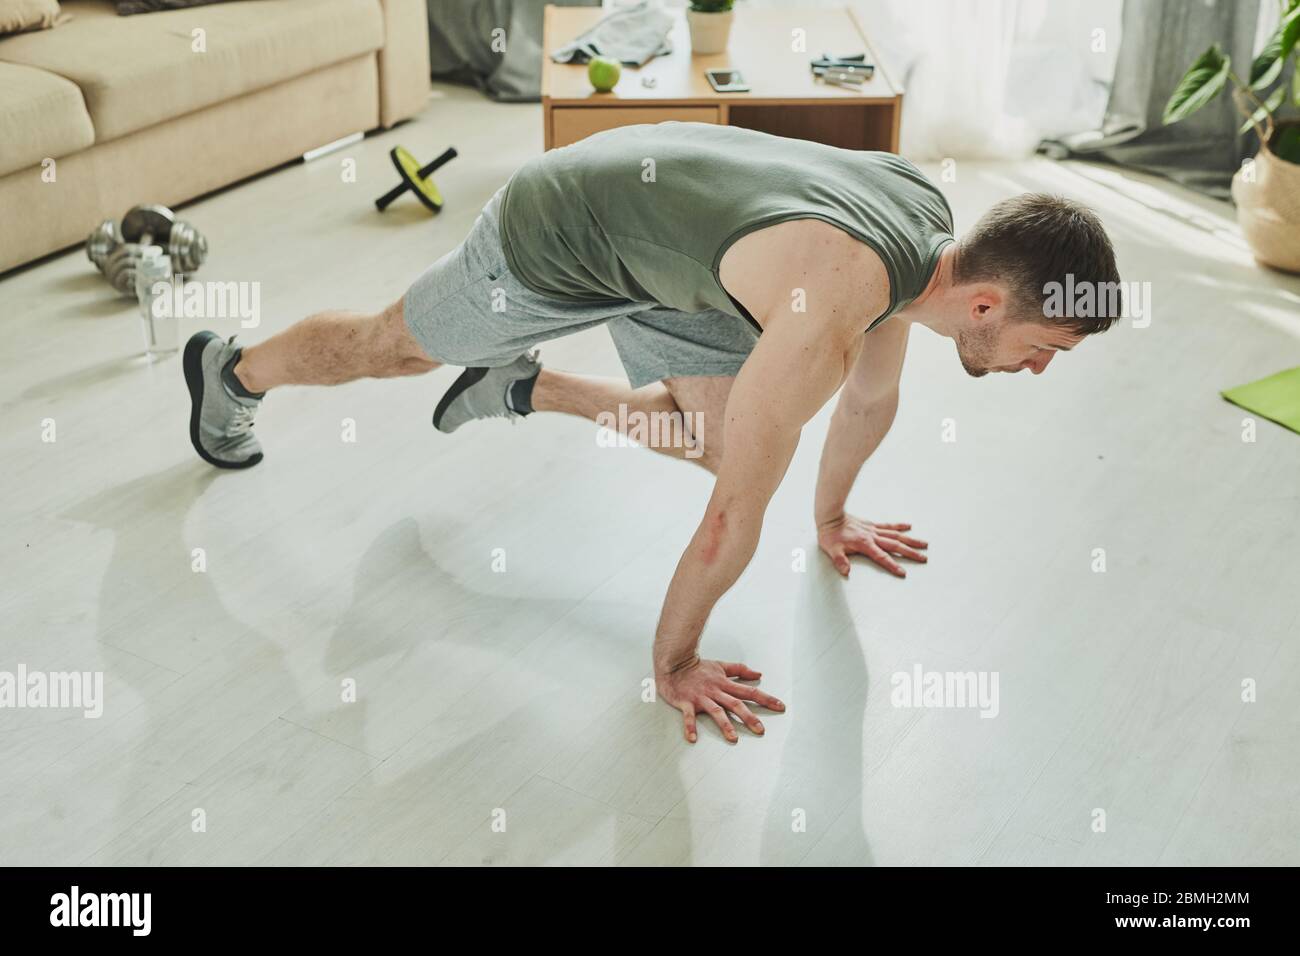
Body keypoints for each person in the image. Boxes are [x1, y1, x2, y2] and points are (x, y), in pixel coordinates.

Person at [183, 122, 1122, 744]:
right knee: (391, 347)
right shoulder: (828, 321)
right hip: (562, 232)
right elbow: (730, 521)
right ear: (989, 303)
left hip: (683, 262)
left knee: (726, 437)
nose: (1039, 369)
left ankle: (525, 388)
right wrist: (673, 667)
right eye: (1045, 347)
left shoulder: (924, 238)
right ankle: (230, 371)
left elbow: (872, 402)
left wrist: (833, 519)